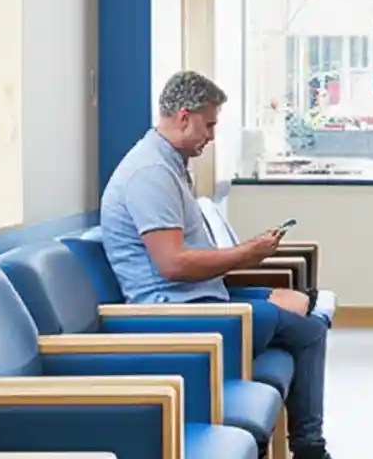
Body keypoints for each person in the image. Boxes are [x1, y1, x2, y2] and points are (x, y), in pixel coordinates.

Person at [99, 70, 334, 459]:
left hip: (198, 296)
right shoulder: (151, 173)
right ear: (184, 116)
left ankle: (282, 440)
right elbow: (173, 265)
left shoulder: (168, 163)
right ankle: (310, 449)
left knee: (303, 302)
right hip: (177, 312)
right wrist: (248, 254)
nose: (210, 136)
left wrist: (254, 267)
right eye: (208, 125)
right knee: (309, 331)